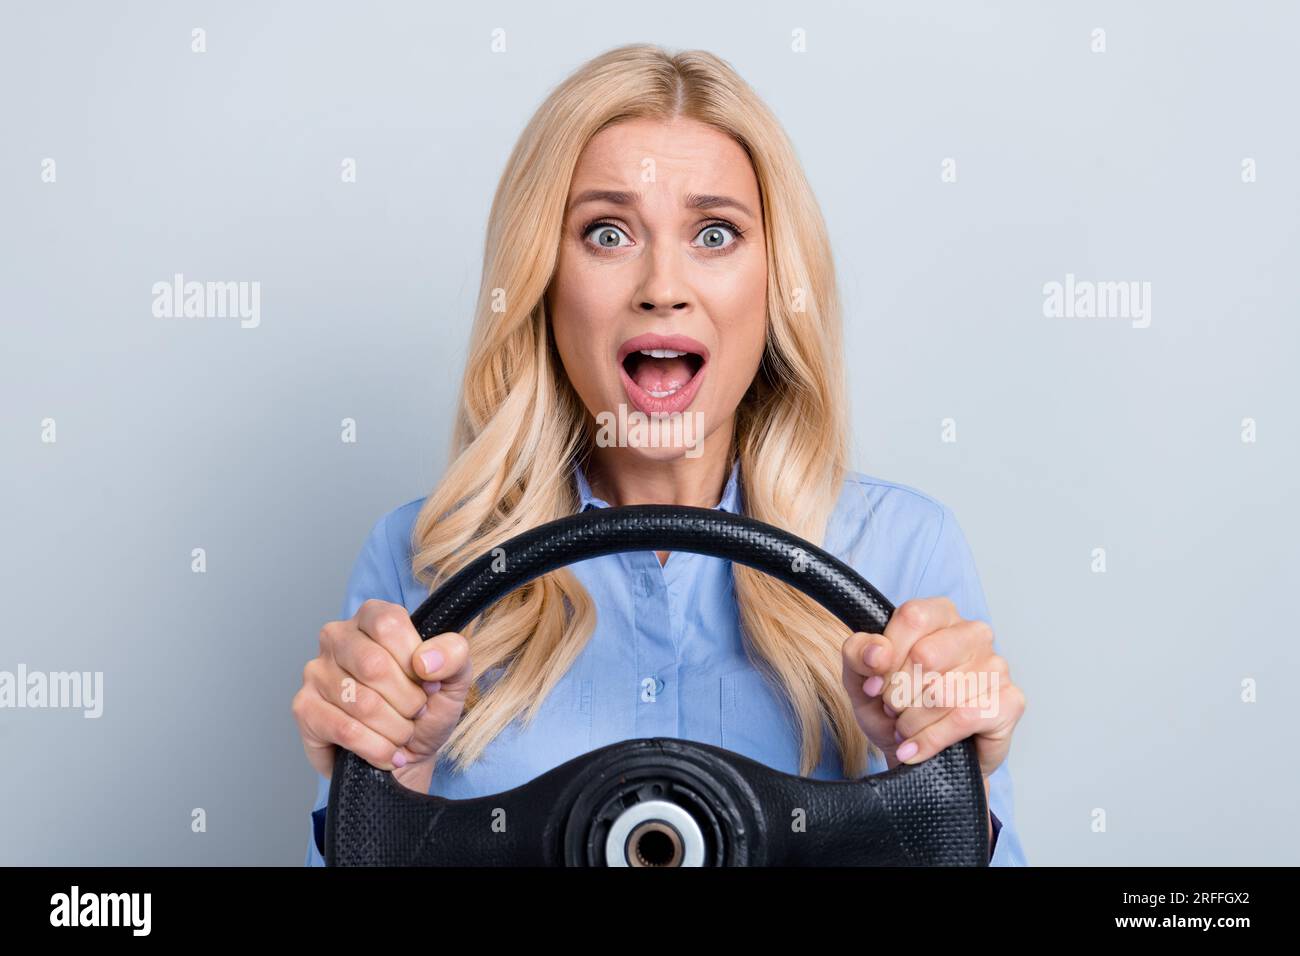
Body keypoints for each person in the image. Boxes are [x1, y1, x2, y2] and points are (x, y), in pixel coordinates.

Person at [292, 42, 1027, 866]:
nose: (662, 285)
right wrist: (399, 771)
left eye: (715, 233)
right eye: (607, 233)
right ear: (540, 279)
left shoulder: (902, 550)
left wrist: (935, 774)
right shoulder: (421, 562)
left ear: (776, 285)